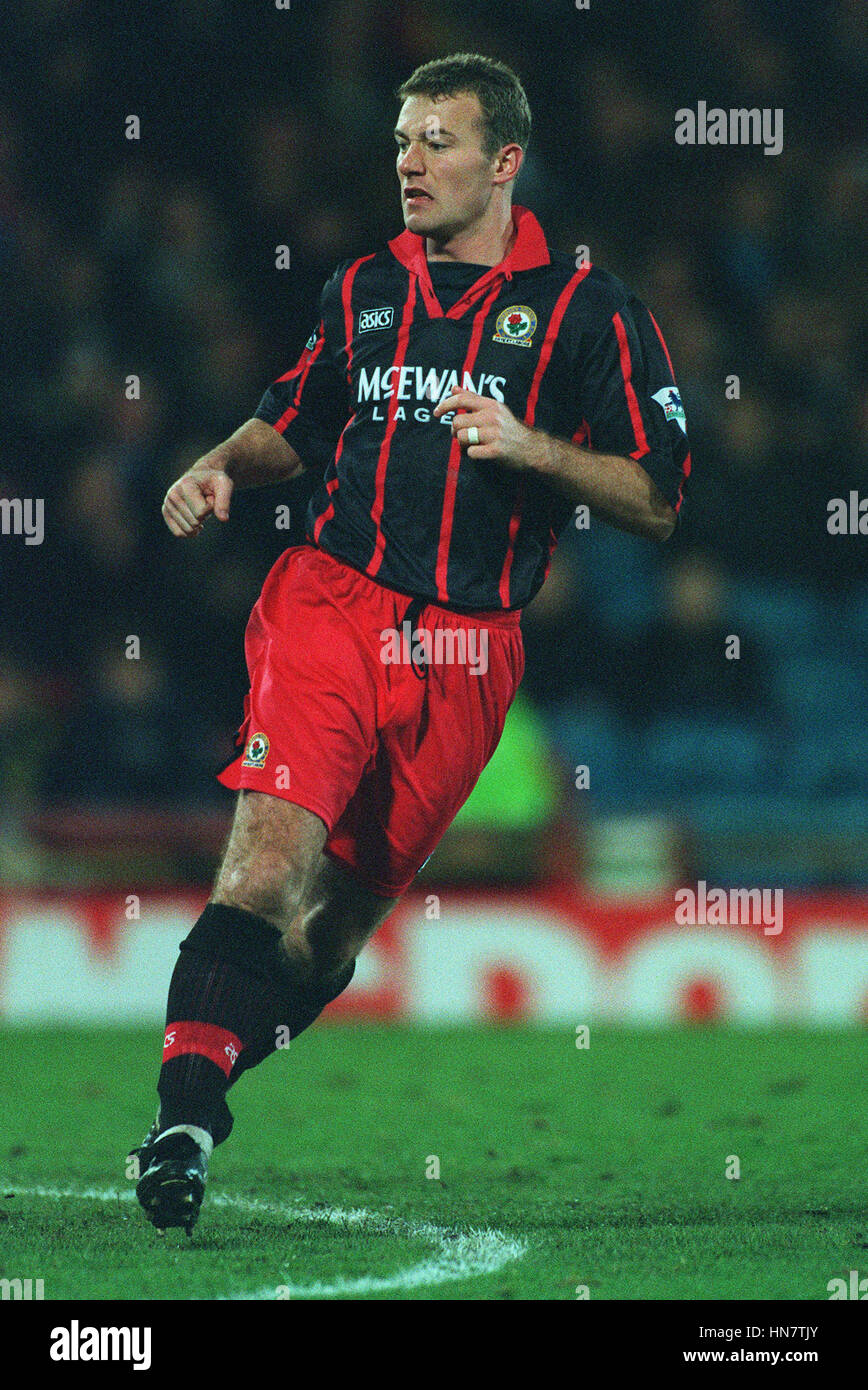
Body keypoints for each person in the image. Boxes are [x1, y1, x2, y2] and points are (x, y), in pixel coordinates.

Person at [132, 51, 691, 1232]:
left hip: (468, 655)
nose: (410, 162)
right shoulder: (363, 287)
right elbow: (296, 417)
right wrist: (222, 463)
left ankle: (209, 1073)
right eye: (401, 141)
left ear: (504, 163)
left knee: (330, 929)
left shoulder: (590, 311)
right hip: (332, 601)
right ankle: (181, 1121)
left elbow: (654, 495)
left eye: (437, 141)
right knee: (265, 868)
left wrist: (534, 448)